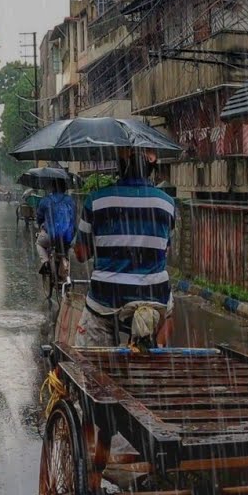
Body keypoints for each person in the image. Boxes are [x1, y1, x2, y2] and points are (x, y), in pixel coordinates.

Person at [73, 149, 177, 349]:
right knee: (168, 314)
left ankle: (94, 361)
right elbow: (164, 249)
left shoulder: (96, 200)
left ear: (119, 167)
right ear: (151, 168)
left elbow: (81, 254)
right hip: (154, 296)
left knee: (89, 353)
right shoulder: (167, 203)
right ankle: (157, 351)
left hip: (106, 297)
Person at [35, 180, 76, 276]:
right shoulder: (70, 200)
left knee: (39, 244)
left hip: (50, 236)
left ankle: (45, 262)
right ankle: (65, 269)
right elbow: (74, 217)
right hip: (66, 237)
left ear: (52, 188)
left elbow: (39, 217)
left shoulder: (46, 200)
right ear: (65, 188)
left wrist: (40, 224)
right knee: (65, 251)